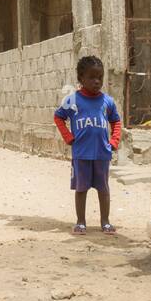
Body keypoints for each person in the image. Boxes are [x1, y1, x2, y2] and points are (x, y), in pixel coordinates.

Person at [53, 55, 123, 236]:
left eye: (100, 77)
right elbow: (58, 117)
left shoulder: (108, 101)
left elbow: (116, 121)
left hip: (102, 153)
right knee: (81, 189)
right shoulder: (72, 100)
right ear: (81, 78)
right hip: (81, 153)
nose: (96, 81)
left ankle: (105, 222)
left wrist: (114, 141)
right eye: (91, 77)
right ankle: (81, 223)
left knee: (103, 188)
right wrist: (68, 136)